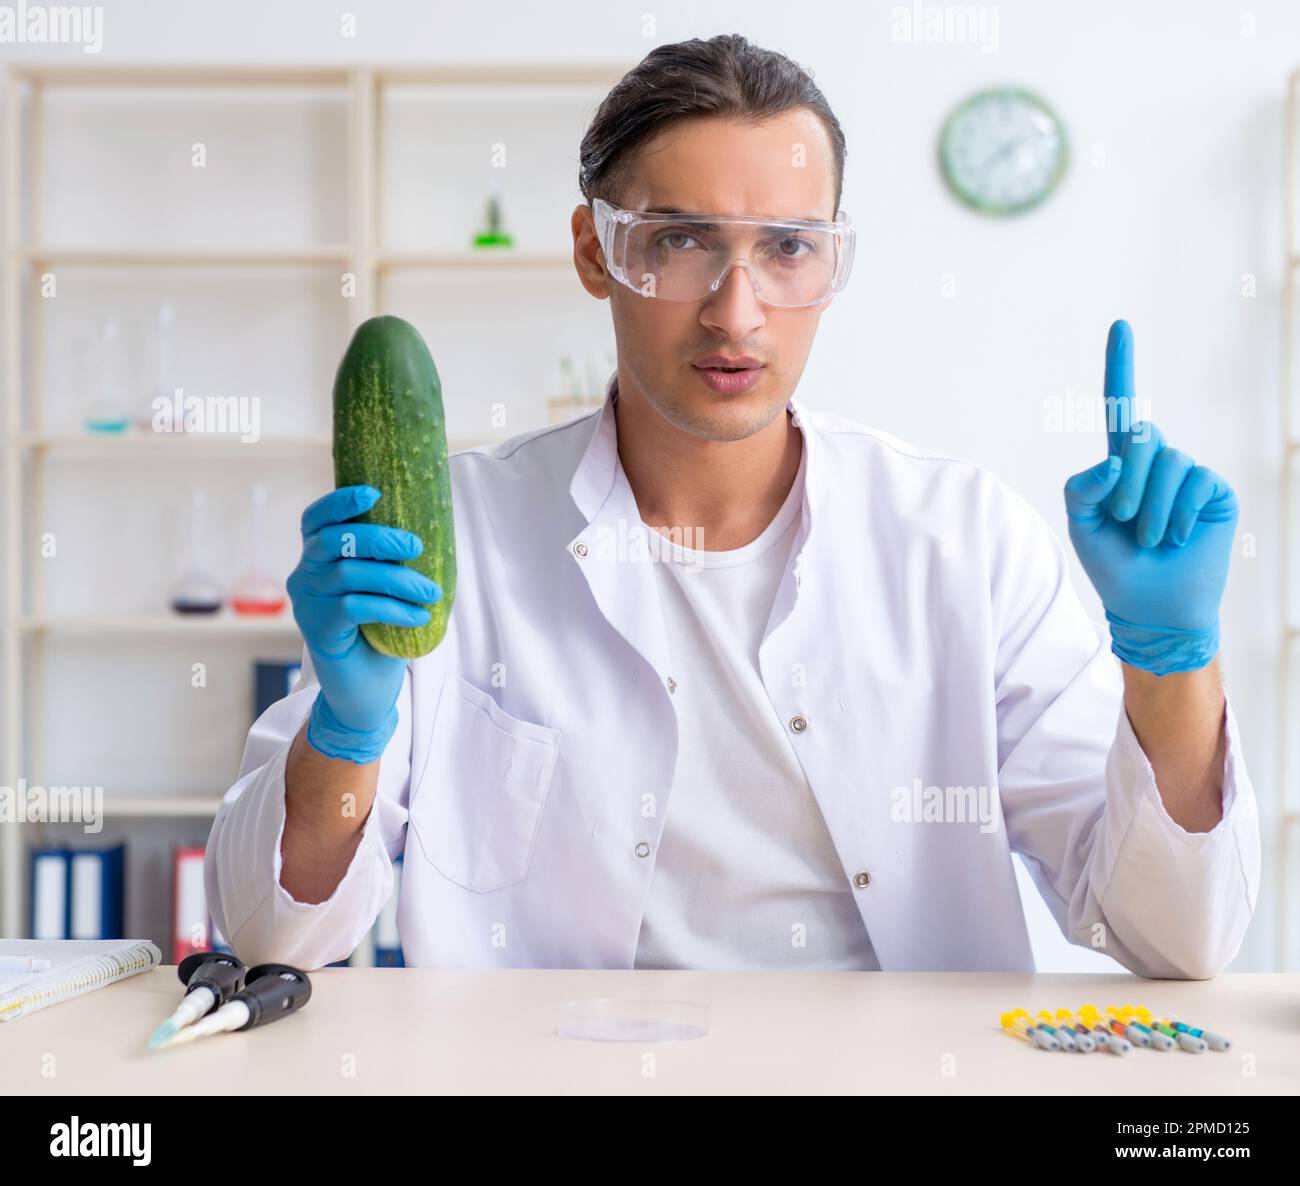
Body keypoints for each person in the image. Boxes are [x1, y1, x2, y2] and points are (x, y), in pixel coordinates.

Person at [207, 34, 1258, 975]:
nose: (736, 310)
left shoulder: (962, 538)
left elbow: (1175, 938)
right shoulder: (458, 541)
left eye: (788, 248)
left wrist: (1172, 667)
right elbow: (273, 938)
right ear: (595, 252)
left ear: (831, 261)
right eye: (680, 242)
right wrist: (347, 727)